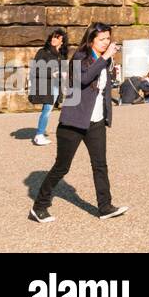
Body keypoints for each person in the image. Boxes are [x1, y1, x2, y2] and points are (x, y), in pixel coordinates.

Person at [30, 24, 129, 222]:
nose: (106, 42)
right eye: (102, 39)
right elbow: (84, 78)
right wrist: (105, 58)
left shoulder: (104, 60)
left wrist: (106, 61)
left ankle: (105, 207)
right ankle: (39, 206)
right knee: (62, 167)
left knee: (100, 165)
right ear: (91, 39)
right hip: (73, 122)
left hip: (96, 122)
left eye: (108, 38)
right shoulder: (80, 57)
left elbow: (102, 89)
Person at [28, 28, 68, 147]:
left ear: (62, 40)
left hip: (57, 86)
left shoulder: (62, 55)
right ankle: (39, 135)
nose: (53, 39)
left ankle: (41, 133)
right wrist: (52, 74)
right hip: (46, 85)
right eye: (53, 36)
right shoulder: (43, 52)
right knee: (46, 110)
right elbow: (35, 70)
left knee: (48, 110)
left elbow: (64, 70)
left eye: (57, 37)